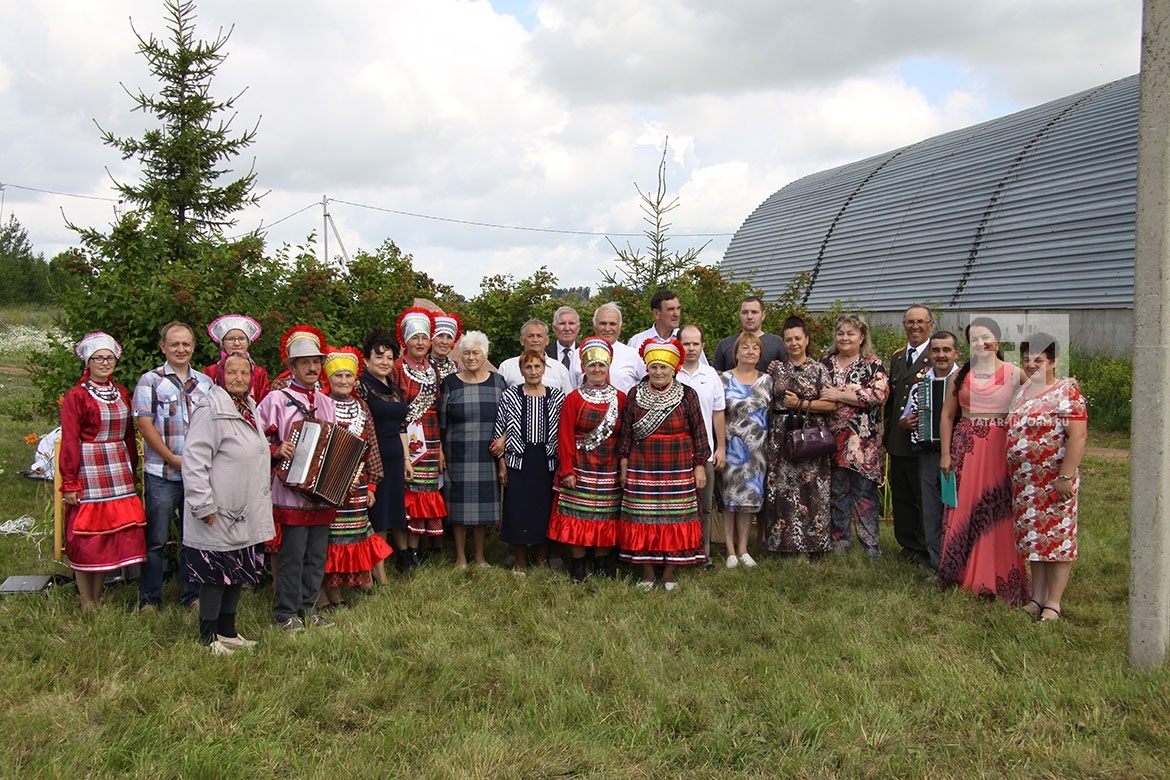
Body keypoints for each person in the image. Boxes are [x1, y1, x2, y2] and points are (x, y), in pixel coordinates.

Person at [182, 353, 274, 654]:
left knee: (238, 570)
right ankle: (208, 638)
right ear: (220, 376)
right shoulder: (211, 409)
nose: (239, 378)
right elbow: (194, 460)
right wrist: (202, 505)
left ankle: (228, 631)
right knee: (215, 573)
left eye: (244, 373)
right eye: (232, 372)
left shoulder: (248, 407)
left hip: (244, 507)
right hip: (218, 508)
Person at [939, 317, 1031, 606]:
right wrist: (945, 454)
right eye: (975, 338)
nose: (980, 342)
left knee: (998, 509)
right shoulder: (961, 374)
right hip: (966, 447)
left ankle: (998, 573)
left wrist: (1067, 384)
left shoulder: (1014, 372)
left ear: (998, 340)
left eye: (986, 336)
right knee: (964, 505)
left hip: (1001, 448)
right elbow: (946, 416)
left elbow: (1044, 390)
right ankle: (961, 571)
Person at [256, 325, 338, 631]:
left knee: (317, 554)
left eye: (316, 362)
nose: (312, 367)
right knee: (292, 554)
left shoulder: (327, 402)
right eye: (305, 362)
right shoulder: (276, 400)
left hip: (321, 491)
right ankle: (286, 613)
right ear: (292, 366)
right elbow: (254, 440)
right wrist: (277, 450)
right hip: (291, 492)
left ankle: (310, 608)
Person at [60, 333, 147, 610]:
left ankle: (98, 597)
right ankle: (87, 600)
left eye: (109, 358)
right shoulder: (77, 396)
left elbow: (129, 436)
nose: (104, 363)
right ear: (88, 362)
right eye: (98, 358)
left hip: (117, 466)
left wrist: (132, 469)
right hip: (89, 466)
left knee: (108, 534)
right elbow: (71, 439)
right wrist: (71, 481)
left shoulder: (121, 392)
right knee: (88, 536)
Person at [617, 339, 711, 591]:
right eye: (654, 367)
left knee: (674, 517)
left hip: (678, 465)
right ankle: (648, 573)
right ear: (647, 367)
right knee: (643, 517)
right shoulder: (635, 394)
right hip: (642, 465)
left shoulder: (688, 395)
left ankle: (669, 573)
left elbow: (699, 432)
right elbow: (626, 433)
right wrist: (624, 466)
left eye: (663, 368)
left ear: (673, 369)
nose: (658, 372)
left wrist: (699, 465)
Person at [1007, 332, 1088, 623]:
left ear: (1053, 362)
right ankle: (1037, 597)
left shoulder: (1066, 392)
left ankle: (1054, 602)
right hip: (1025, 482)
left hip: (1054, 480)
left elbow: (1077, 436)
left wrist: (1065, 476)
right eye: (1027, 359)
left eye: (1038, 360)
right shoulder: (1023, 391)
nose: (1031, 365)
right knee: (1034, 540)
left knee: (1056, 540)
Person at [133, 321, 213, 611]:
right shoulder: (150, 381)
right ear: (163, 347)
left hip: (196, 476)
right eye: (175, 344)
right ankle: (149, 598)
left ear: (193, 346)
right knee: (156, 539)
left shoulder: (206, 383)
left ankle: (190, 594)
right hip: (163, 474)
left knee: (194, 538)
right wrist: (170, 457)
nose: (181, 349)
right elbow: (144, 424)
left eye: (186, 344)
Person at [547, 337, 626, 582]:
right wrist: (567, 469)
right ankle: (578, 565)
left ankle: (602, 563)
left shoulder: (621, 398)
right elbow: (565, 436)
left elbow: (625, 436)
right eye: (592, 366)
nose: (597, 370)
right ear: (584, 367)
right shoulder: (574, 399)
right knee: (577, 516)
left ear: (608, 367)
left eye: (601, 365)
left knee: (606, 516)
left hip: (609, 468)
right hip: (580, 467)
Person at [319, 347, 393, 608]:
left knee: (352, 537)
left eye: (348, 376)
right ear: (328, 378)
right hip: (327, 485)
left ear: (354, 379)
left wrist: (372, 484)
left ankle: (340, 592)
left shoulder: (361, 407)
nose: (343, 381)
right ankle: (324, 595)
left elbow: (371, 444)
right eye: (338, 376)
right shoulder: (320, 404)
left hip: (358, 484)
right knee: (329, 540)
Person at [761, 316, 836, 558]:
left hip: (811, 434)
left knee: (812, 488)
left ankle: (814, 544)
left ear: (806, 340)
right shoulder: (776, 369)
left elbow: (830, 405)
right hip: (782, 433)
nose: (793, 343)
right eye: (788, 339)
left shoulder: (819, 369)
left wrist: (802, 403)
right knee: (784, 489)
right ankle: (784, 545)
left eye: (798, 338)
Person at [820, 314, 888, 558]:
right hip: (831, 441)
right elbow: (818, 392)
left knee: (864, 495)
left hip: (863, 444)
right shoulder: (826, 362)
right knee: (837, 495)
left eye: (851, 333)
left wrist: (839, 395)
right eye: (841, 333)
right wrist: (852, 394)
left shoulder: (873, 364)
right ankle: (840, 545)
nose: (845, 338)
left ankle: (870, 548)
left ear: (861, 337)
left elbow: (877, 395)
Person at [438, 330, 506, 568]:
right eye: (466, 353)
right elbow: (442, 421)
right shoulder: (450, 383)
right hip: (458, 454)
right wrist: (440, 449)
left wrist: (504, 439)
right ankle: (460, 558)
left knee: (483, 508)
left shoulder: (498, 382)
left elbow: (508, 417)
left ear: (484, 354)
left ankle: (480, 557)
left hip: (487, 454)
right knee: (458, 508)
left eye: (476, 352)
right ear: (460, 356)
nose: (471, 357)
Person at [495, 349, 565, 574]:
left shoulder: (556, 396)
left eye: (537, 366)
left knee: (543, 509)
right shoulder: (511, 395)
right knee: (517, 509)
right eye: (528, 367)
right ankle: (520, 561)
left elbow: (563, 432)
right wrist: (502, 464)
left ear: (544, 368)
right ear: (521, 370)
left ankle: (542, 558)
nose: (533, 371)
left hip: (547, 462)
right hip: (518, 462)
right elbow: (500, 431)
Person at [900, 331, 960, 571]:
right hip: (927, 453)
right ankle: (938, 565)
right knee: (931, 510)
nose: (941, 355)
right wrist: (907, 423)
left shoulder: (966, 379)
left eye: (946, 350)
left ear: (956, 352)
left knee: (957, 509)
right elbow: (904, 417)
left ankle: (958, 562)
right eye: (936, 350)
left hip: (960, 454)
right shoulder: (920, 382)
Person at [392, 308, 447, 564]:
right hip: (404, 439)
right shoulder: (396, 368)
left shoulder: (432, 369)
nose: (420, 343)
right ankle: (403, 552)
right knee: (407, 497)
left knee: (424, 494)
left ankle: (416, 549)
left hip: (432, 438)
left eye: (424, 337)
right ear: (405, 339)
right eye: (415, 338)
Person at [356, 328, 413, 576]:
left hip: (394, 456)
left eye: (389, 358)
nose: (384, 362)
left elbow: (402, 426)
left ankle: (399, 559)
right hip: (373, 459)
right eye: (378, 357)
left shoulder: (392, 386)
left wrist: (407, 458)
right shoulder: (361, 387)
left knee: (394, 510)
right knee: (377, 514)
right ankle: (378, 574)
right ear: (366, 360)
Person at [883, 305, 935, 568]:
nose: (915, 326)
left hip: (923, 439)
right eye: (910, 322)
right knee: (901, 495)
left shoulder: (936, 355)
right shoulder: (897, 357)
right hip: (898, 438)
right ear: (904, 325)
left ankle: (925, 546)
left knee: (921, 496)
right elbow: (893, 401)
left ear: (931, 325)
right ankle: (908, 544)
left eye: (921, 322)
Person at [718, 332, 772, 568]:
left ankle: (744, 549)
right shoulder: (723, 379)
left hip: (757, 449)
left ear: (760, 354)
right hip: (731, 447)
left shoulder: (768, 381)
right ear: (736, 353)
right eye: (745, 347)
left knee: (749, 498)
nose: (750, 351)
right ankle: (729, 549)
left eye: (755, 348)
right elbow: (717, 414)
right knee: (730, 499)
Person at [676, 324, 726, 568]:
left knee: (704, 507)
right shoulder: (670, 374)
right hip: (675, 455)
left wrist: (721, 448)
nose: (691, 348)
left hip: (704, 453)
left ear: (703, 346)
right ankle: (678, 553)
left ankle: (703, 556)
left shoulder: (711, 375)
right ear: (678, 345)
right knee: (678, 508)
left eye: (696, 343)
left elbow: (718, 413)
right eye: (686, 343)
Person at [627, 290, 710, 366]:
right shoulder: (637, 342)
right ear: (656, 313)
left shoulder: (688, 338)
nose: (676, 314)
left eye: (678, 308)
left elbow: (703, 371)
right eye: (671, 309)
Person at [204, 314, 270, 404]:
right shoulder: (210, 372)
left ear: (248, 342)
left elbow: (264, 405)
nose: (236, 343)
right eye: (230, 339)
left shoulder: (259, 373)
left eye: (242, 339)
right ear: (223, 343)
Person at [712, 296, 785, 373]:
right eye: (745, 312)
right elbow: (717, 378)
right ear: (739, 315)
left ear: (763, 315)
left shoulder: (778, 343)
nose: (749, 317)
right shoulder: (724, 344)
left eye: (754, 312)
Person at [497, 319, 573, 393]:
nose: (535, 340)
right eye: (530, 336)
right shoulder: (507, 367)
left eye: (539, 336)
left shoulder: (560, 369)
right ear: (522, 340)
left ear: (547, 340)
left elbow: (568, 401)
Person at [592, 302, 646, 393]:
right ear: (594, 325)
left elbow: (646, 387)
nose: (607, 328)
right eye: (603, 323)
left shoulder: (634, 356)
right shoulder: (578, 355)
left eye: (612, 324)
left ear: (620, 327)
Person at [547, 305, 582, 387]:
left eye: (571, 323)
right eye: (562, 323)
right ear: (554, 328)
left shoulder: (584, 353)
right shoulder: (544, 354)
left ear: (578, 328)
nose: (567, 328)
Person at [430, 312, 462, 382]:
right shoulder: (421, 366)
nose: (445, 342)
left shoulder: (458, 368)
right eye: (440, 336)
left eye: (449, 337)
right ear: (431, 338)